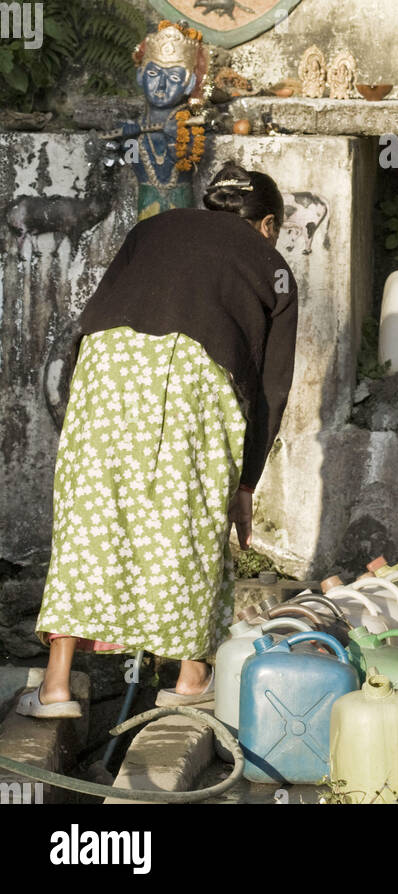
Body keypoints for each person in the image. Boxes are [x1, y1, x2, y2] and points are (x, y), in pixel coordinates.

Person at [18, 162, 298, 718]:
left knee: (90, 514)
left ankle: (55, 687)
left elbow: (99, 307)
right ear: (266, 224)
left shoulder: (155, 227)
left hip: (106, 360)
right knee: (187, 512)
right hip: (197, 367)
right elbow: (272, 386)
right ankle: (192, 677)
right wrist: (244, 482)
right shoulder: (272, 265)